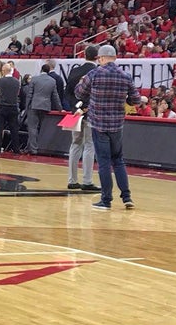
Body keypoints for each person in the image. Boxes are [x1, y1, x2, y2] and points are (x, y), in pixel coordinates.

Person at [75, 45, 139, 210]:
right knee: (118, 160)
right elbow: (136, 100)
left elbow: (79, 93)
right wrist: (126, 100)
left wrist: (82, 84)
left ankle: (106, 200)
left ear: (101, 58)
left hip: (99, 124)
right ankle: (126, 197)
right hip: (117, 125)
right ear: (115, 58)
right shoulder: (125, 76)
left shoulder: (94, 74)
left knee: (104, 162)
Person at [65, 46, 99, 191]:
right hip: (91, 112)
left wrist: (76, 108)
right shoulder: (97, 72)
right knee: (89, 145)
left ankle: (72, 180)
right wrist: (85, 107)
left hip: (75, 112)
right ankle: (87, 181)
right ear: (97, 57)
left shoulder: (74, 71)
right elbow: (95, 93)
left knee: (75, 144)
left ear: (84, 55)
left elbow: (67, 93)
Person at [25, 63, 62, 155]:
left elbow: (29, 94)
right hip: (45, 106)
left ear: (41, 70)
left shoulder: (34, 79)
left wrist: (26, 106)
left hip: (34, 105)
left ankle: (33, 149)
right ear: (49, 71)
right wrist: (60, 108)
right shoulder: (52, 81)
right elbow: (55, 96)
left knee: (32, 128)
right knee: (39, 128)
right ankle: (29, 148)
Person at [0, 63, 21, 155]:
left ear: (3, 71)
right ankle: (16, 149)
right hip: (13, 106)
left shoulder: (0, 81)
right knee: (14, 129)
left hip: (2, 106)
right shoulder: (17, 82)